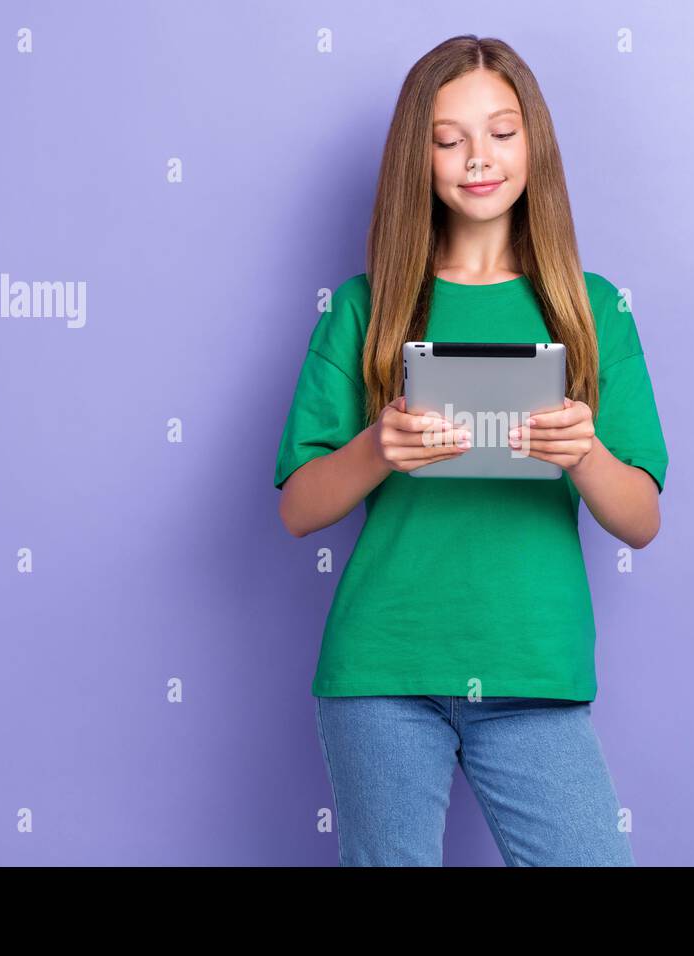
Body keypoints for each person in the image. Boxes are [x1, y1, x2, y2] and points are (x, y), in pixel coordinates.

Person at [273, 34, 669, 866]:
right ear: (418, 160)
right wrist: (378, 447)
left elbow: (641, 520)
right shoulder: (365, 308)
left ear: (535, 145)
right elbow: (299, 507)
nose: (477, 159)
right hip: (383, 670)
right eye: (448, 140)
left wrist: (584, 454)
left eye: (501, 131)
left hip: (534, 672)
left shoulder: (592, 312)